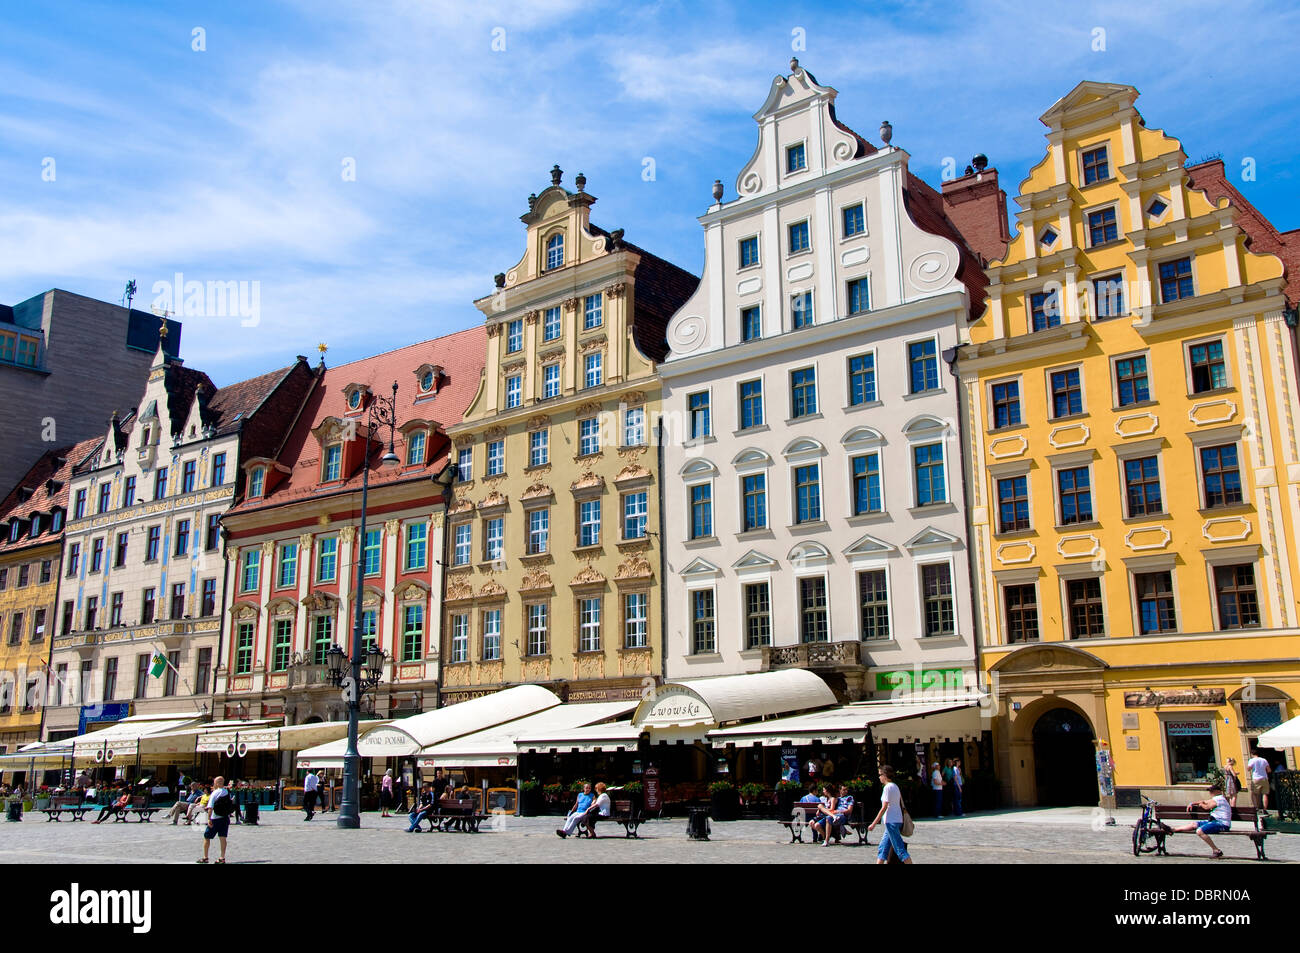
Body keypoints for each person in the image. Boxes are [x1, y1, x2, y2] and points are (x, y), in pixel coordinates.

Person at [1173, 783, 1232, 859]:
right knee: (1193, 824)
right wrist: (1192, 803)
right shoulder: (1217, 798)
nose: (1210, 793)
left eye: (1212, 791)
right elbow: (1204, 801)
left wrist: (1201, 805)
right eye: (1210, 791)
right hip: (1214, 821)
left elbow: (1207, 807)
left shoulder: (1219, 799)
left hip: (1222, 824)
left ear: (1218, 791)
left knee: (1199, 831)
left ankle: (1216, 850)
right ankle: (1172, 829)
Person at [867, 765, 913, 864]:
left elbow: (884, 807)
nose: (879, 777)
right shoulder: (895, 786)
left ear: (885, 775)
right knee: (883, 847)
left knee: (900, 849)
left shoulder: (887, 788)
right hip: (896, 820)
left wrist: (873, 823)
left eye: (880, 775)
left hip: (891, 821)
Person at [199, 776, 233, 864]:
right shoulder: (226, 792)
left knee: (207, 837)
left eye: (214, 782)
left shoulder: (214, 793)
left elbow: (210, 807)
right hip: (225, 818)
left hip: (215, 818)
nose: (213, 784)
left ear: (217, 783)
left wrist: (209, 819)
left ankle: (205, 857)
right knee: (223, 838)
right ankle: (222, 857)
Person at [1246, 750, 1271, 816]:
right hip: (1264, 778)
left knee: (1254, 794)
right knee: (1265, 794)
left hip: (1256, 778)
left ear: (1252, 754)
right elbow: (1269, 770)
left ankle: (1256, 808)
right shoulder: (1264, 760)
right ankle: (1265, 809)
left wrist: (1249, 768)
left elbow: (1248, 769)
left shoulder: (1252, 760)